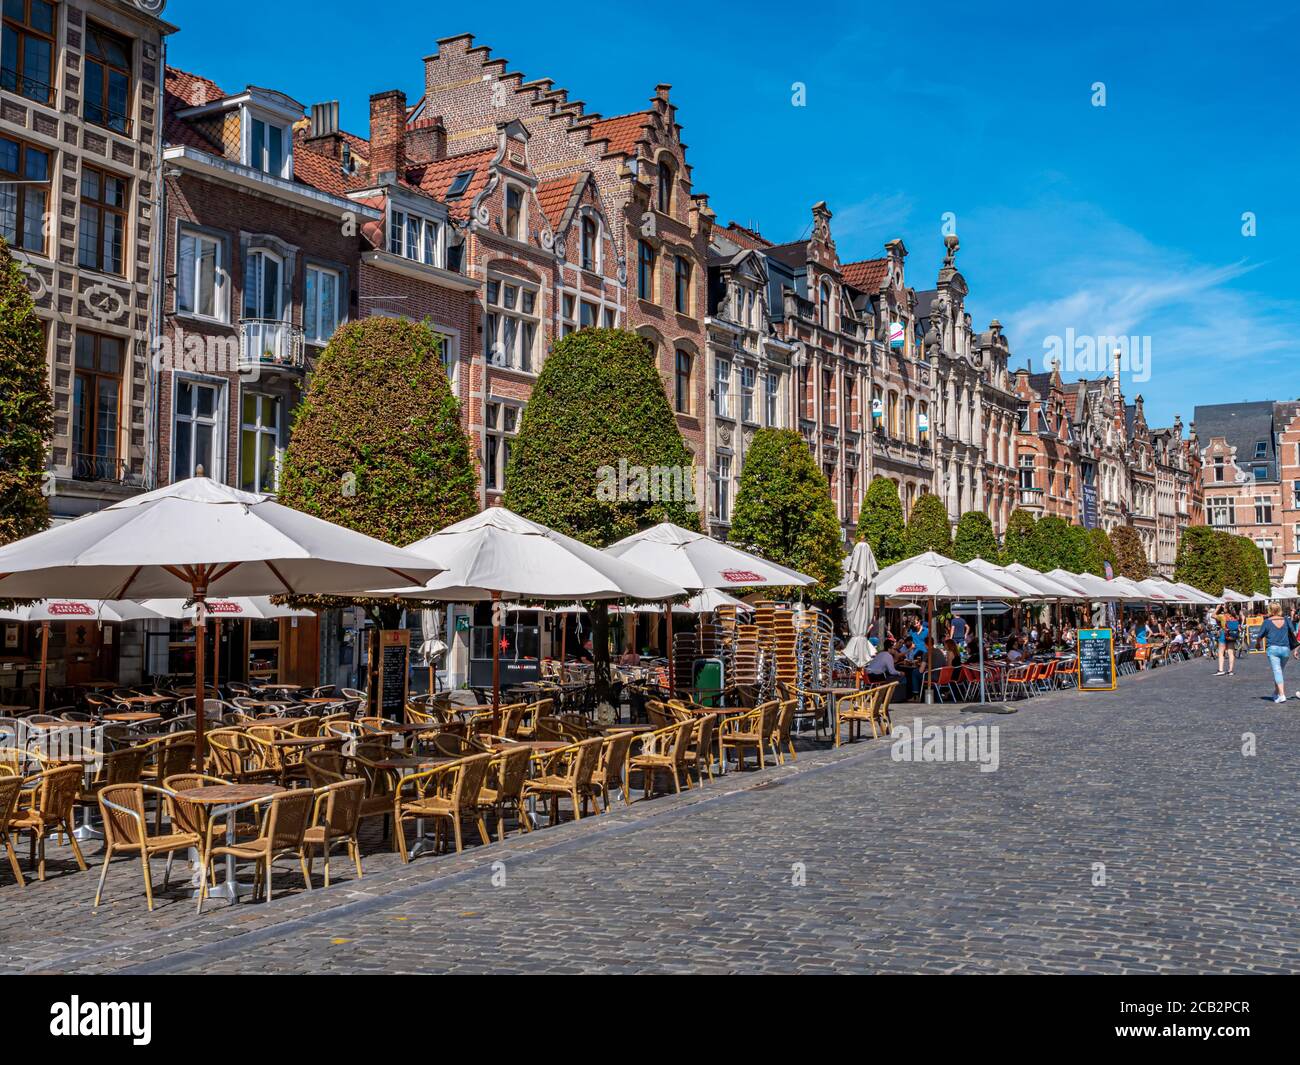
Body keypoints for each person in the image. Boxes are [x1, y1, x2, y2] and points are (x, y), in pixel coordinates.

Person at [1258, 603, 1296, 702]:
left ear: (1269, 610)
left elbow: (1260, 636)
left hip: (1273, 649)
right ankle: (1276, 693)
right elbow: (1294, 633)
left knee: (1277, 671)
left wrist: (1258, 644)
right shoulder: (1286, 620)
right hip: (1285, 649)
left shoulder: (1266, 622)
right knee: (1279, 671)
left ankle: (1282, 695)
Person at [1215, 607, 1240, 676]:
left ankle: (1221, 670)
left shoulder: (1223, 616)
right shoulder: (1236, 617)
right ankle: (1230, 670)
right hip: (1232, 635)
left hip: (1224, 634)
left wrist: (1217, 608)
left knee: (1221, 652)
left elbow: (1213, 615)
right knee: (1231, 653)